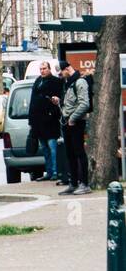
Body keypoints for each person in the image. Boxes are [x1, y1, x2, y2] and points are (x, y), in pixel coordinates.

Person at [57, 62, 91, 195]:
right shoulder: (69, 83)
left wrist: (73, 118)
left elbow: (85, 103)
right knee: (70, 153)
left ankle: (85, 184)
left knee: (79, 152)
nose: (60, 76)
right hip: (67, 122)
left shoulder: (80, 82)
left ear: (66, 69)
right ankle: (74, 183)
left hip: (76, 122)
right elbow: (70, 103)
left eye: (60, 73)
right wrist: (59, 102)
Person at [29, 61, 63, 182]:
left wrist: (53, 112)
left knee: (52, 147)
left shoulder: (55, 82)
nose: (42, 71)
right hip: (38, 122)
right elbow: (33, 101)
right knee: (44, 148)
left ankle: (55, 171)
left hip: (50, 121)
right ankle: (49, 171)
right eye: (41, 69)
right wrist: (31, 120)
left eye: (44, 68)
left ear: (49, 69)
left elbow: (59, 99)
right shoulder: (38, 81)